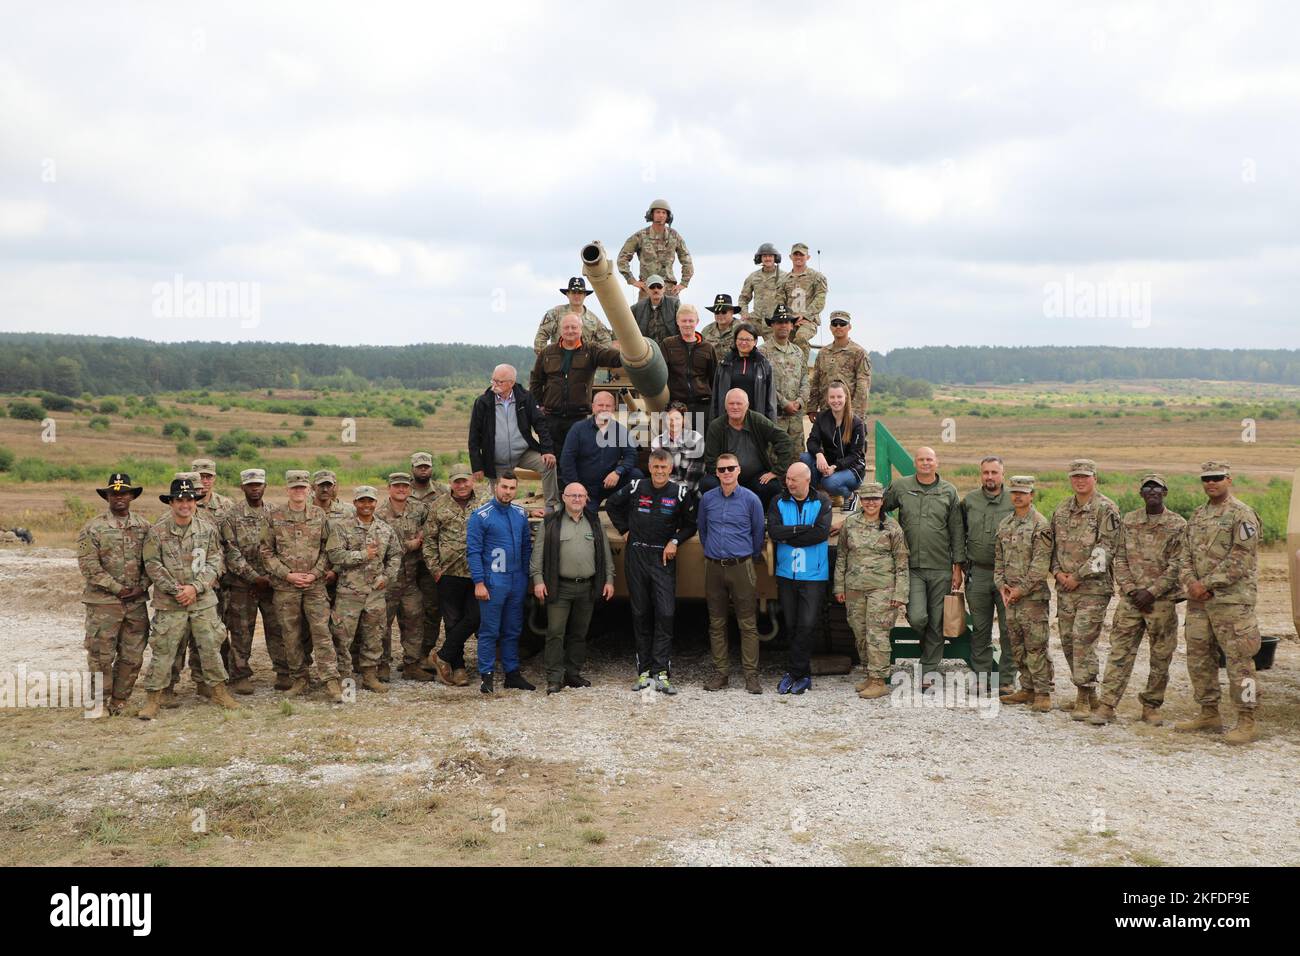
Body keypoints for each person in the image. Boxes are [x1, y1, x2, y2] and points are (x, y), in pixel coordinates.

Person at [136, 478, 240, 719]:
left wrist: (195, 588)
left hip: (202, 600)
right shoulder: (157, 532)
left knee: (211, 646)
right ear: (171, 502)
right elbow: (152, 564)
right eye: (180, 500)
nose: (185, 504)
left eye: (190, 500)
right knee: (164, 649)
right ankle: (154, 698)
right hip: (170, 602)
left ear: (195, 502)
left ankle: (219, 692)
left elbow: (215, 560)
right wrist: (176, 589)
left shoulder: (207, 529)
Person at [1175, 461, 1262, 745]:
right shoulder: (1198, 515)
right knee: (1199, 659)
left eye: (1217, 478)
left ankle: (1247, 720)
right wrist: (1191, 583)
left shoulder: (1242, 514)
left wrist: (1206, 584)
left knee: (1240, 662)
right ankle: (1209, 712)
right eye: (1206, 479)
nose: (1211, 483)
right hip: (1199, 602)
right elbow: (1184, 555)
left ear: (1229, 479)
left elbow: (1240, 558)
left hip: (1232, 602)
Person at [1090, 474, 1186, 726]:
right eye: (1147, 487)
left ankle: (1151, 706)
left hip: (1161, 602)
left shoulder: (1178, 524)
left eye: (1157, 487)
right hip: (1131, 602)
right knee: (1119, 653)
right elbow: (1119, 557)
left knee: (1160, 656)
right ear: (1141, 494)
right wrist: (1132, 590)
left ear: (1165, 492)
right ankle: (1107, 704)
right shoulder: (1129, 521)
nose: (1152, 490)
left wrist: (1152, 592)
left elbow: (1178, 564)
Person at [606, 448, 697, 694]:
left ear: (670, 469)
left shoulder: (680, 492)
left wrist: (675, 541)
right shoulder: (636, 486)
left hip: (662, 558)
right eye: (655, 467)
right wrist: (624, 530)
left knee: (666, 613)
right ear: (650, 468)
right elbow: (612, 504)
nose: (659, 472)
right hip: (636, 554)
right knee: (641, 613)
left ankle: (662, 672)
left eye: (663, 468)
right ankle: (644, 670)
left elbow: (691, 524)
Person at [882, 447, 965, 686]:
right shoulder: (901, 487)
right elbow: (879, 508)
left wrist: (957, 567)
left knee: (937, 620)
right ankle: (928, 643)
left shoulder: (949, 491)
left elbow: (957, 530)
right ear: (915, 463)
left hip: (940, 566)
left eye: (929, 459)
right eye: (921, 459)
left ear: (936, 463)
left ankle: (929, 670)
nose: (925, 463)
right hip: (911, 566)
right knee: (919, 617)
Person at [261, 470, 342, 702]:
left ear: (309, 490)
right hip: (286, 587)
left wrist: (316, 573)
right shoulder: (274, 516)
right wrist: (287, 575)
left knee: (322, 632)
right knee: (291, 634)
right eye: (294, 488)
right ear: (287, 490)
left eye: (303, 488)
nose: (299, 491)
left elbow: (329, 548)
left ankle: (331, 680)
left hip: (314, 586)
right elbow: (266, 551)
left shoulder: (319, 515)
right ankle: (299, 677)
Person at [1049, 458, 1120, 720]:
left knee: (1083, 639)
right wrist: (1057, 572)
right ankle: (1090, 696)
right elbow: (1053, 546)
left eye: (1085, 476)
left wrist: (1078, 576)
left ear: (1095, 478)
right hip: (1065, 586)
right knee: (1067, 640)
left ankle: (1083, 692)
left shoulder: (1106, 509)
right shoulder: (1061, 509)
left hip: (1092, 588)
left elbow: (1106, 550)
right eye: (1076, 476)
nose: (1080, 480)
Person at [530, 483, 615, 694]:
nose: (577, 499)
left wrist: (609, 580)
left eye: (581, 496)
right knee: (555, 633)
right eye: (572, 495)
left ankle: (573, 673)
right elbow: (537, 555)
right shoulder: (551, 522)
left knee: (579, 633)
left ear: (586, 498)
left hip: (586, 586)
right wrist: (538, 580)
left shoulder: (594, 522)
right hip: (559, 587)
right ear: (564, 498)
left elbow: (605, 554)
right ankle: (554, 677)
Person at [77, 473, 150, 717]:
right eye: (114, 494)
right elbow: (89, 566)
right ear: (107, 496)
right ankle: (99, 702)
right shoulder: (93, 528)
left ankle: (120, 700)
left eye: (124, 493)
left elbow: (153, 561)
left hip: (136, 603)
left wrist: (142, 585)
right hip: (103, 603)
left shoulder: (144, 526)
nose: (119, 498)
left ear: (131, 496)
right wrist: (118, 589)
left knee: (132, 655)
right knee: (101, 655)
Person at [697, 453, 767, 694]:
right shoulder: (707, 499)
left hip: (741, 566)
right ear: (716, 473)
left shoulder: (751, 500)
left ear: (739, 470)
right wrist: (712, 551)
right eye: (722, 469)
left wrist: (748, 555)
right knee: (716, 623)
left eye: (730, 468)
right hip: (714, 566)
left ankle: (751, 676)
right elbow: (703, 530)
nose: (726, 473)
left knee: (747, 623)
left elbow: (758, 533)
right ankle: (721, 673)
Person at [834, 481, 909, 700]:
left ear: (882, 501)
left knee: (877, 634)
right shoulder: (850, 524)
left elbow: (901, 562)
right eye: (866, 499)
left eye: (875, 499)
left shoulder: (892, 527)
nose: (870, 503)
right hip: (855, 587)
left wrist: (900, 594)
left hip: (883, 589)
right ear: (861, 501)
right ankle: (869, 673)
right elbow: (842, 557)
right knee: (860, 632)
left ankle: (879, 680)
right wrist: (839, 586)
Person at [325, 487, 402, 694]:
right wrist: (362, 555)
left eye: (370, 501)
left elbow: (395, 555)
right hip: (349, 593)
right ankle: (345, 678)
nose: (366, 505)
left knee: (374, 635)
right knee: (342, 637)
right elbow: (335, 555)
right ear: (355, 502)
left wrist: (387, 577)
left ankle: (370, 675)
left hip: (375, 594)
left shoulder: (385, 529)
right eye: (362, 501)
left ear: (376, 503)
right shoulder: (342, 527)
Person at [220, 468, 288, 693]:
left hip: (272, 584)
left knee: (277, 628)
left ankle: (283, 671)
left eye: (259, 484)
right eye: (250, 485)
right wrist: (253, 577)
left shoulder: (275, 513)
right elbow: (231, 551)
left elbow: (281, 548)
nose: (255, 488)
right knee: (241, 631)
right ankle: (239, 674)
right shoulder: (232, 516)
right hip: (243, 585)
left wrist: (272, 576)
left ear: (265, 486)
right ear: (243, 488)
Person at [466, 471, 535, 694]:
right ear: (496, 487)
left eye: (512, 488)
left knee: (513, 629)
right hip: (494, 580)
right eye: (504, 487)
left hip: (516, 579)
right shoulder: (481, 516)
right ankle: (486, 676)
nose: (508, 492)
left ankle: (512, 673)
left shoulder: (520, 514)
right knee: (489, 630)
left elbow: (526, 547)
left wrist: (525, 576)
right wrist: (479, 582)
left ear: (517, 489)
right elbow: (474, 551)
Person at [768, 462, 832, 695]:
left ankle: (796, 673)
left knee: (806, 625)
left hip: (813, 575)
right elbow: (774, 532)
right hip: (787, 573)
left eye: (794, 479)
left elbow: (821, 533)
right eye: (787, 478)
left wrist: (790, 534)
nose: (789, 483)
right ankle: (801, 674)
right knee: (792, 625)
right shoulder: (778, 501)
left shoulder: (822, 501)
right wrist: (801, 530)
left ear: (807, 480)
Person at [994, 476, 1055, 712]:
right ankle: (1027, 688)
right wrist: (1001, 585)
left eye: (1023, 492)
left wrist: (1020, 590)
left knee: (1036, 645)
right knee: (1016, 644)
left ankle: (1042, 692)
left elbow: (1040, 566)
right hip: (1011, 597)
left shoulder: (1041, 525)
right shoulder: (1006, 524)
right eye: (1014, 492)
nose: (1018, 496)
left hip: (1033, 598)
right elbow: (998, 559)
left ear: (1032, 495)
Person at [422, 468, 486, 687]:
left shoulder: (485, 503)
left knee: (476, 617)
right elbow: (429, 540)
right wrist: (435, 569)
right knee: (452, 622)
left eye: (465, 481)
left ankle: (442, 655)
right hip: (448, 573)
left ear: (472, 482)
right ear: (450, 483)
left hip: (477, 572)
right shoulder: (438, 506)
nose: (461, 486)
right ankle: (458, 668)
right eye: (457, 482)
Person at [530, 313, 624, 457]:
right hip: (552, 417)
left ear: (581, 329)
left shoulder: (591, 350)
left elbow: (611, 358)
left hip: (578, 417)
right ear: (561, 330)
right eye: (566, 327)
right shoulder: (548, 352)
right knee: (553, 459)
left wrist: (629, 354)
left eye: (574, 327)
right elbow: (536, 380)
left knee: (577, 456)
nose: (570, 331)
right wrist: (540, 404)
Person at [468, 364, 558, 513]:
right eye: (493, 380)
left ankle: (551, 506)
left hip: (523, 452)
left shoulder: (525, 398)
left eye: (499, 382)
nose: (494, 385)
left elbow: (540, 424)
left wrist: (547, 450)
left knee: (549, 464)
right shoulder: (483, 402)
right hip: (496, 458)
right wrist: (477, 466)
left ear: (511, 383)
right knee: (498, 499)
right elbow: (474, 435)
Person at [961, 456, 1015, 693]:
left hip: (1009, 576)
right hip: (979, 573)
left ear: (1003, 474)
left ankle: (1006, 679)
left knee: (1008, 629)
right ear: (981, 474)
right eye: (986, 473)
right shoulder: (970, 501)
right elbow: (957, 533)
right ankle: (982, 677)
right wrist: (959, 566)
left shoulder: (1015, 500)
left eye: (994, 472)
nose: (990, 477)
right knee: (981, 629)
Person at [376, 472, 431, 682]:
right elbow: (382, 545)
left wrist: (423, 535)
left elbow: (431, 526)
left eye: (405, 486)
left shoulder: (418, 509)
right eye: (397, 486)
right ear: (389, 488)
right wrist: (411, 544)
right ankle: (382, 665)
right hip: (387, 580)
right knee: (383, 624)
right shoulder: (379, 513)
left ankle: (412, 664)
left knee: (414, 621)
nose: (401, 490)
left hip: (410, 580)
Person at [700, 388, 795, 510]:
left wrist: (776, 471)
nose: (735, 407)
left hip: (755, 476)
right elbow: (710, 460)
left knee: (772, 486)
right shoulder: (716, 426)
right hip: (725, 474)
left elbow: (784, 440)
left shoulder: (757, 420)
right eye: (731, 403)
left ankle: (761, 515)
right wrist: (726, 476)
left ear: (747, 405)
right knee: (707, 484)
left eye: (739, 403)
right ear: (725, 406)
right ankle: (719, 514)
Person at [559, 390, 641, 514]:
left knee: (636, 475)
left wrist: (618, 472)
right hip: (586, 487)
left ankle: (621, 508)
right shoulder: (578, 429)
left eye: (608, 406)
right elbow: (567, 461)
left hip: (610, 484)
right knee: (587, 519)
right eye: (600, 405)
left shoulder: (620, 430)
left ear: (613, 408)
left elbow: (631, 455)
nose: (604, 409)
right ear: (593, 407)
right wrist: (577, 489)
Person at [801, 381, 866, 502]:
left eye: (839, 396)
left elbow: (854, 455)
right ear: (827, 399)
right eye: (832, 397)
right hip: (829, 465)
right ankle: (816, 498)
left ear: (846, 397)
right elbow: (812, 441)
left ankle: (850, 496)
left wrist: (835, 467)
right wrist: (819, 454)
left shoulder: (857, 423)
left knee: (829, 482)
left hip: (852, 469)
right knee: (805, 458)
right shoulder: (822, 417)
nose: (836, 400)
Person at [617, 198, 693, 299]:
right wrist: (632, 280)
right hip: (648, 287)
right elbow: (622, 259)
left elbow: (686, 259)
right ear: (651, 214)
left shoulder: (674, 236)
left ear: (667, 216)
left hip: (669, 289)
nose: (661, 215)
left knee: (673, 314)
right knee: (644, 314)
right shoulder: (640, 236)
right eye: (657, 212)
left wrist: (683, 283)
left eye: (664, 213)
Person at [760, 305, 809, 448]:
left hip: (795, 418)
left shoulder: (798, 352)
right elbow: (763, 383)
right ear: (772, 325)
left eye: (787, 322)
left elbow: (805, 379)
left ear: (792, 326)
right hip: (774, 416)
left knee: (797, 461)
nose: (783, 325)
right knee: (774, 459)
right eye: (779, 322)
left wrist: (799, 401)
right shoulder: (762, 352)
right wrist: (784, 403)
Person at [659, 304, 716, 425]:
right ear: (677, 322)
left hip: (702, 404)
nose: (687, 324)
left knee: (700, 442)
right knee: (679, 442)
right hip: (677, 406)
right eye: (684, 321)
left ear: (697, 322)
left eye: (691, 321)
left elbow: (714, 377)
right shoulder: (668, 345)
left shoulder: (707, 348)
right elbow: (662, 374)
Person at [808, 311, 871, 420]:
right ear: (830, 327)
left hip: (849, 413)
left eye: (842, 323)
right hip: (826, 412)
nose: (838, 327)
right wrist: (812, 408)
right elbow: (816, 382)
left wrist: (854, 413)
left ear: (849, 327)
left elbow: (863, 385)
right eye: (835, 323)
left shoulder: (858, 353)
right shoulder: (823, 352)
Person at [710, 323, 777, 422]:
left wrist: (771, 426)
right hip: (728, 420)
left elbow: (770, 399)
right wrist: (713, 423)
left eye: (748, 339)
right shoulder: (725, 364)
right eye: (740, 339)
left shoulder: (763, 365)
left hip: (755, 421)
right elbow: (715, 397)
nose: (744, 343)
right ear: (735, 341)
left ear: (755, 341)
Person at [534, 278, 613, 353]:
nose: (576, 296)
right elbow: (540, 338)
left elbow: (606, 341)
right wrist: (548, 359)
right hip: (559, 362)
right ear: (567, 294)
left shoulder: (593, 320)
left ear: (585, 295)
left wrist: (595, 359)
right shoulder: (555, 314)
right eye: (573, 292)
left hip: (584, 363)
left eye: (580, 293)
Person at [777, 242, 828, 356]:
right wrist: (789, 318)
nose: (798, 257)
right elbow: (780, 302)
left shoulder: (817, 277)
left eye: (801, 255)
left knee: (801, 338)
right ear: (791, 257)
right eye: (796, 255)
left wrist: (805, 316)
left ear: (808, 257)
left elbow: (820, 299)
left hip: (808, 321)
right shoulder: (784, 280)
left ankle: (802, 370)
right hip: (789, 320)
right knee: (781, 343)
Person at [651, 401, 706, 493]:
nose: (673, 423)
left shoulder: (696, 438)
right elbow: (659, 470)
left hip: (692, 490)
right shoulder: (658, 442)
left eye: (677, 418)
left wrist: (681, 492)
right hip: (666, 488)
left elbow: (696, 472)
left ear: (684, 419)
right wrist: (669, 489)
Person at [738, 242, 787, 337]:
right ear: (760, 258)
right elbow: (743, 298)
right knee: (738, 330)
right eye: (764, 256)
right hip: (756, 320)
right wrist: (744, 313)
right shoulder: (753, 277)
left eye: (770, 256)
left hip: (774, 322)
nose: (767, 258)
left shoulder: (784, 277)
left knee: (774, 350)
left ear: (775, 258)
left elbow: (791, 299)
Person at [629, 276, 680, 342]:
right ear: (647, 289)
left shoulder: (674, 304)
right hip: (647, 349)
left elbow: (683, 325)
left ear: (664, 288)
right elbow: (623, 324)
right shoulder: (637, 308)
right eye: (652, 287)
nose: (656, 290)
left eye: (659, 286)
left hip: (670, 348)